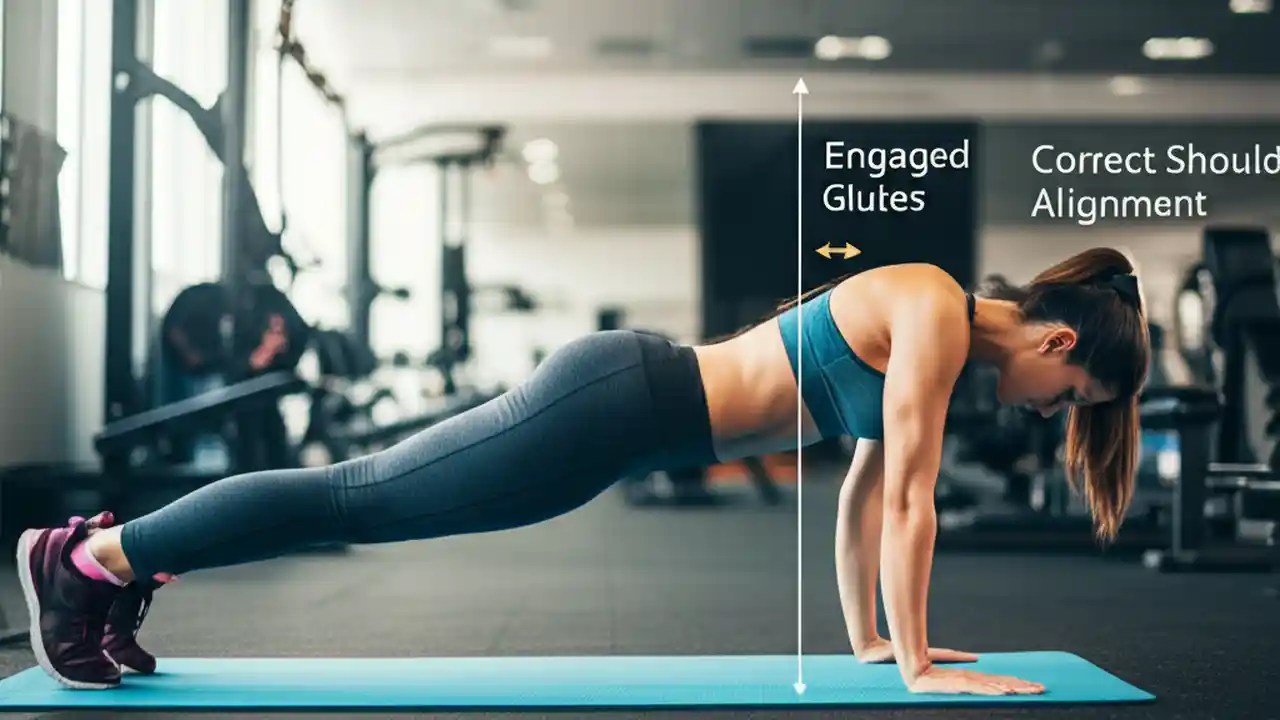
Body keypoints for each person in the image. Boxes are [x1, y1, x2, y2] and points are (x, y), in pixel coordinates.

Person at [19, 247, 1148, 696]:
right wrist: (914, 671)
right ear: (1057, 347)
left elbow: (864, 493)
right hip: (612, 405)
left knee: (359, 497)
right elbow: (907, 494)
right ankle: (91, 558)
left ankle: (113, 569)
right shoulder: (937, 313)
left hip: (616, 426)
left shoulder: (932, 325)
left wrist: (874, 645)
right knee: (353, 494)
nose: (1057, 418)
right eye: (1076, 403)